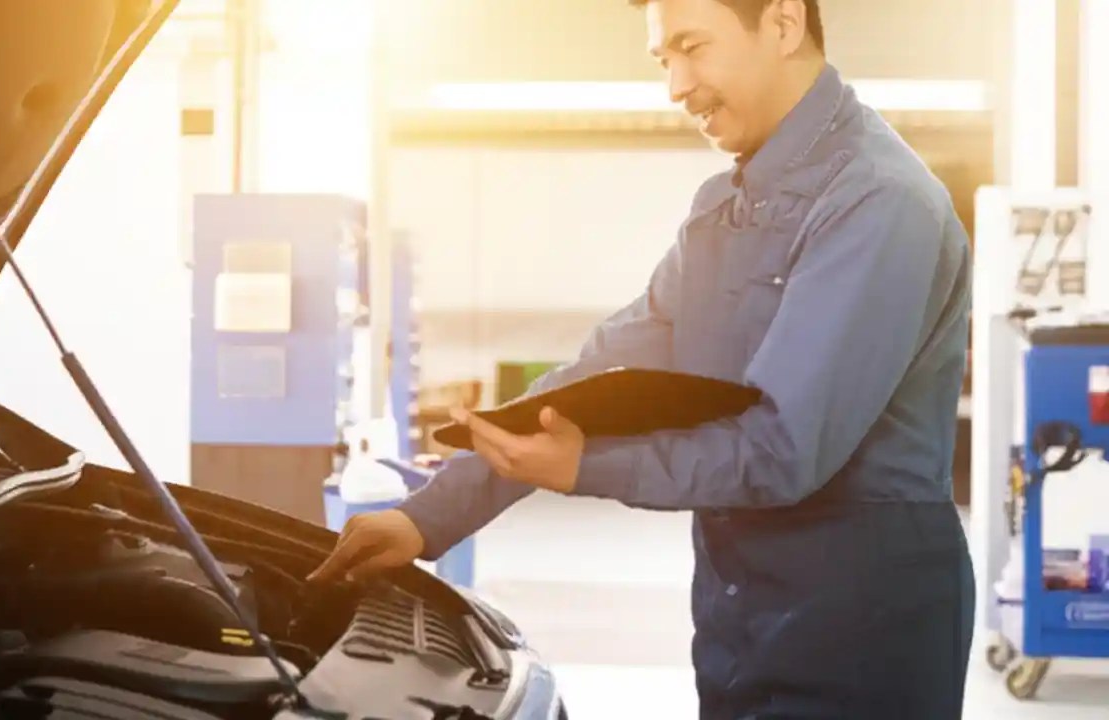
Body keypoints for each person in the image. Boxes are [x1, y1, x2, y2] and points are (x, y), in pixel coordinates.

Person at [309, 0, 975, 716]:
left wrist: (583, 467)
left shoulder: (879, 201)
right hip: (738, 620)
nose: (676, 86)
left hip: (861, 631)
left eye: (693, 47)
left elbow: (784, 450)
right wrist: (424, 518)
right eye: (665, 60)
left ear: (782, 24)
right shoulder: (723, 208)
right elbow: (602, 368)